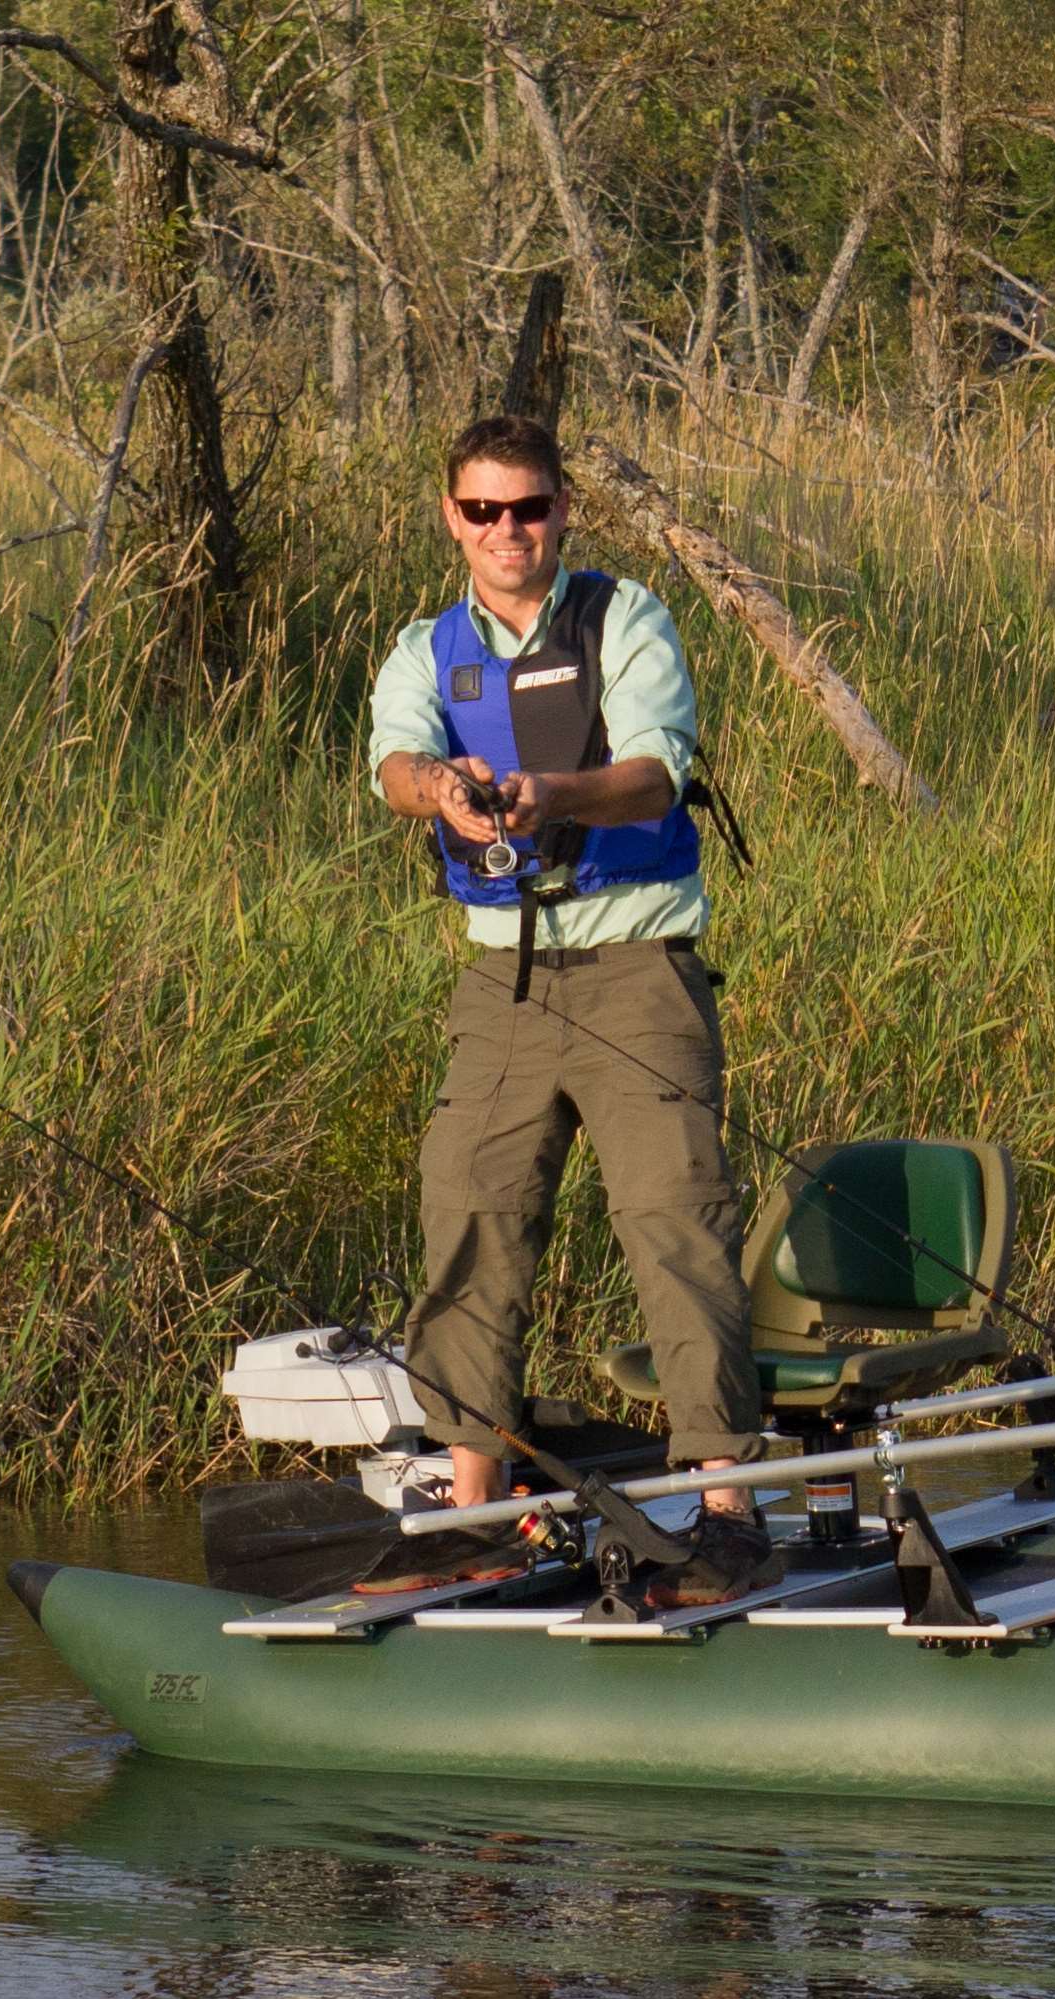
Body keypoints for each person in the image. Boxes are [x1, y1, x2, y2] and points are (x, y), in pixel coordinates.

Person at [352, 413, 776, 1603]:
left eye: (528, 507)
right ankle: (473, 1510)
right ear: (453, 519)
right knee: (470, 1214)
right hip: (503, 978)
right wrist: (446, 788)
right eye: (482, 510)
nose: (508, 530)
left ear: (562, 512)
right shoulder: (426, 649)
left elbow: (656, 770)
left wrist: (553, 794)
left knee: (674, 1219)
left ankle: (727, 1509)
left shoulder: (625, 619)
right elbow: (394, 764)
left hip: (637, 966)